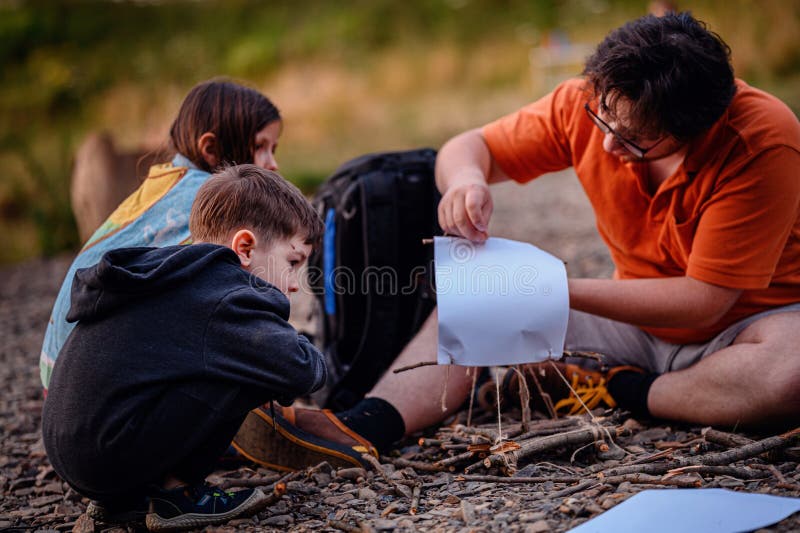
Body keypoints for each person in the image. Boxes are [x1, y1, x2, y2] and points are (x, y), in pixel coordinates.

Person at [231, 11, 800, 471]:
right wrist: (467, 181)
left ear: (697, 128)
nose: (607, 147)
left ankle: (623, 388)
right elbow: (468, 145)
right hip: (637, 316)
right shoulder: (596, 101)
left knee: (788, 373)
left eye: (635, 142)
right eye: (604, 123)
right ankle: (361, 426)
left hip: (747, 326)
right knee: (477, 298)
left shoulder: (763, 141)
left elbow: (704, 300)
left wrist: (550, 286)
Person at [42, 165, 326, 530]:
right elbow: (302, 370)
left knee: (240, 355)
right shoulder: (226, 296)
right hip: (107, 454)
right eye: (292, 263)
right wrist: (289, 364)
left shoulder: (170, 275)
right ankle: (178, 496)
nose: (292, 285)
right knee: (250, 364)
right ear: (245, 247)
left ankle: (129, 499)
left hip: (74, 451)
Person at [40, 79, 282, 393]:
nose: (273, 164)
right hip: (92, 387)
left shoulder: (165, 186)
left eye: (274, 150)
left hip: (58, 376)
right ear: (210, 150)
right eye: (261, 147)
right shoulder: (214, 202)